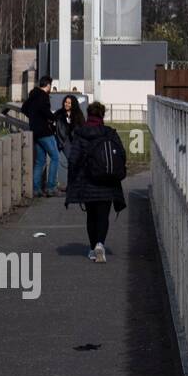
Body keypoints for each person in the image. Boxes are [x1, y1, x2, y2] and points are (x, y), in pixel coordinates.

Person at [65, 101, 127, 264]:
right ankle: (100, 243)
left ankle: (93, 248)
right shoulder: (110, 132)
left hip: (87, 182)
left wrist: (73, 179)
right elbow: (122, 154)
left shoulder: (81, 133)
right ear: (102, 115)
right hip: (108, 183)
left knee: (91, 216)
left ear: (88, 114)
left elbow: (73, 159)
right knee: (103, 216)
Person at [21, 75, 59, 197]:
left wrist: (34, 118)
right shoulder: (44, 96)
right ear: (47, 85)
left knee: (40, 161)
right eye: (50, 86)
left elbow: (24, 108)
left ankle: (36, 189)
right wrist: (53, 117)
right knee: (55, 157)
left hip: (35, 131)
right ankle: (51, 187)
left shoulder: (33, 95)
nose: (50, 88)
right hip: (44, 131)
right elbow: (46, 112)